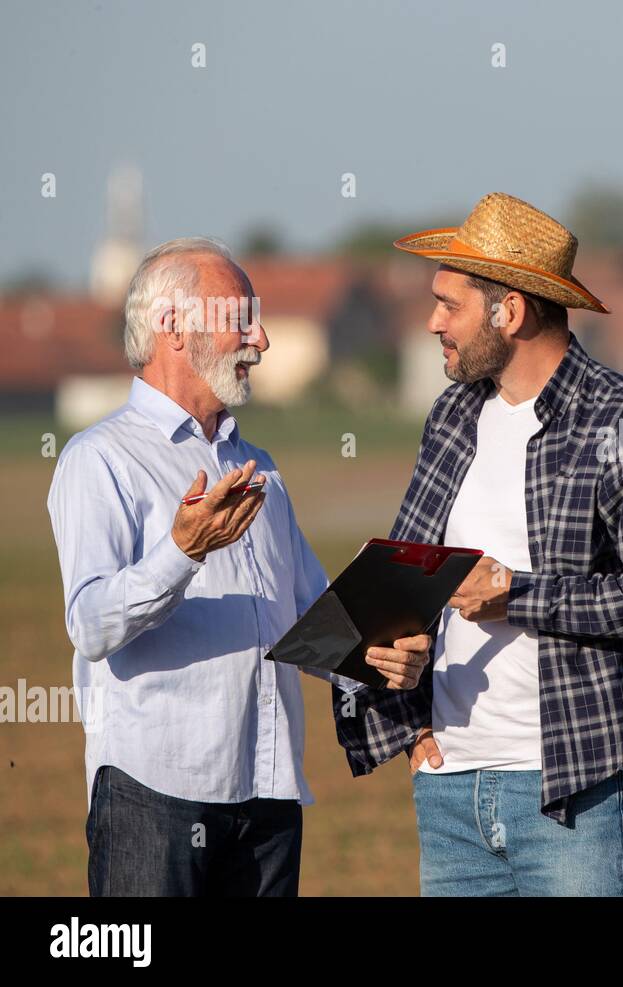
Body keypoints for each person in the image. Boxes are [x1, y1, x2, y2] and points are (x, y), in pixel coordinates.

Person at [331, 193, 623, 896]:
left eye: (450, 304)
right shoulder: (451, 414)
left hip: (578, 800)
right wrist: (401, 697)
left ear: (509, 311)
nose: (431, 321)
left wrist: (518, 594)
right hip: (452, 797)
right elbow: (411, 579)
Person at [47, 237, 430, 896]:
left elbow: (310, 623)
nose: (262, 339)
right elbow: (90, 625)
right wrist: (183, 551)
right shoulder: (99, 459)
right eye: (240, 317)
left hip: (267, 795)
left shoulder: (261, 468)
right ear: (172, 326)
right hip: (154, 798)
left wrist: (380, 648)